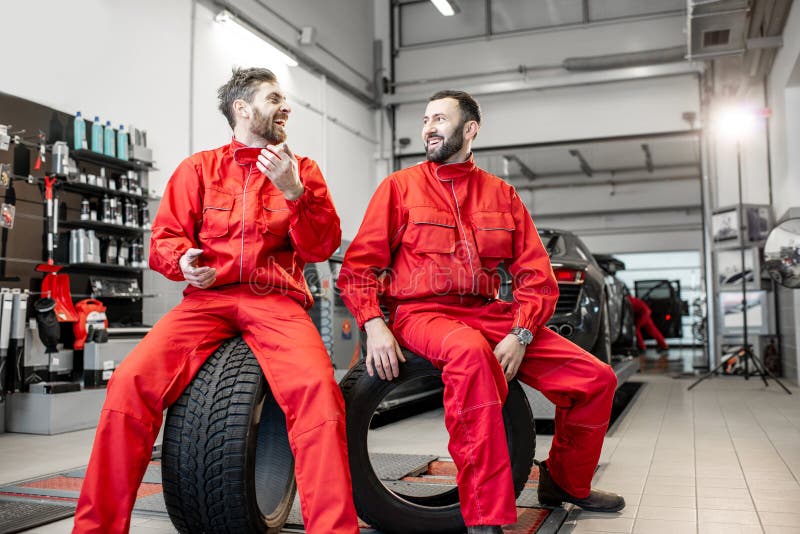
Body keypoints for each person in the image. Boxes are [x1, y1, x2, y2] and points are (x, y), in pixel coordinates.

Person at [73, 67, 359, 534]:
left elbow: (319, 247)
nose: (286, 106)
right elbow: (164, 240)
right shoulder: (198, 169)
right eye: (274, 98)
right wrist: (182, 262)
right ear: (242, 109)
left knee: (318, 394)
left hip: (276, 301)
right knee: (129, 383)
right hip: (206, 300)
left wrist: (294, 192)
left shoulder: (302, 170)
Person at [338, 90, 624, 533]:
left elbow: (536, 276)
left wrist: (521, 333)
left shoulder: (501, 195)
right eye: (426, 119)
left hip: (488, 312)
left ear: (470, 129)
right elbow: (359, 267)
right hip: (421, 313)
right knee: (470, 356)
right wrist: (374, 324)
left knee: (595, 379)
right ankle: (485, 516)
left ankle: (565, 481)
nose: (429, 127)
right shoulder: (399, 188)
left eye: (440, 119)